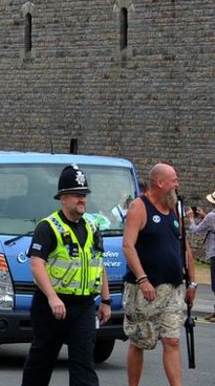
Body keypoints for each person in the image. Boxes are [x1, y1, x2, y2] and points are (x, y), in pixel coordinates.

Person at [20, 164, 110, 386]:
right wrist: (52, 297)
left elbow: (98, 263)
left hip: (83, 306)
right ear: (63, 198)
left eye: (85, 195)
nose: (83, 200)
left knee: (84, 364)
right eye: (78, 195)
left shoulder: (92, 226)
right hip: (52, 307)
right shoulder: (48, 227)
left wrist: (106, 300)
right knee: (42, 361)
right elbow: (36, 264)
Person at [123, 163, 195, 386]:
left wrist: (191, 282)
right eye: (174, 180)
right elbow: (127, 245)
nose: (177, 184)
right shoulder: (139, 206)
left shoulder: (174, 208)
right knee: (139, 340)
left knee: (172, 341)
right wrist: (142, 279)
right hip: (146, 289)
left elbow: (185, 247)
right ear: (159, 182)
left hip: (173, 288)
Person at [186, 190, 215, 321]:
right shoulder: (210, 217)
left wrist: (191, 219)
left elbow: (196, 231)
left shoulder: (211, 216)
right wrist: (204, 217)